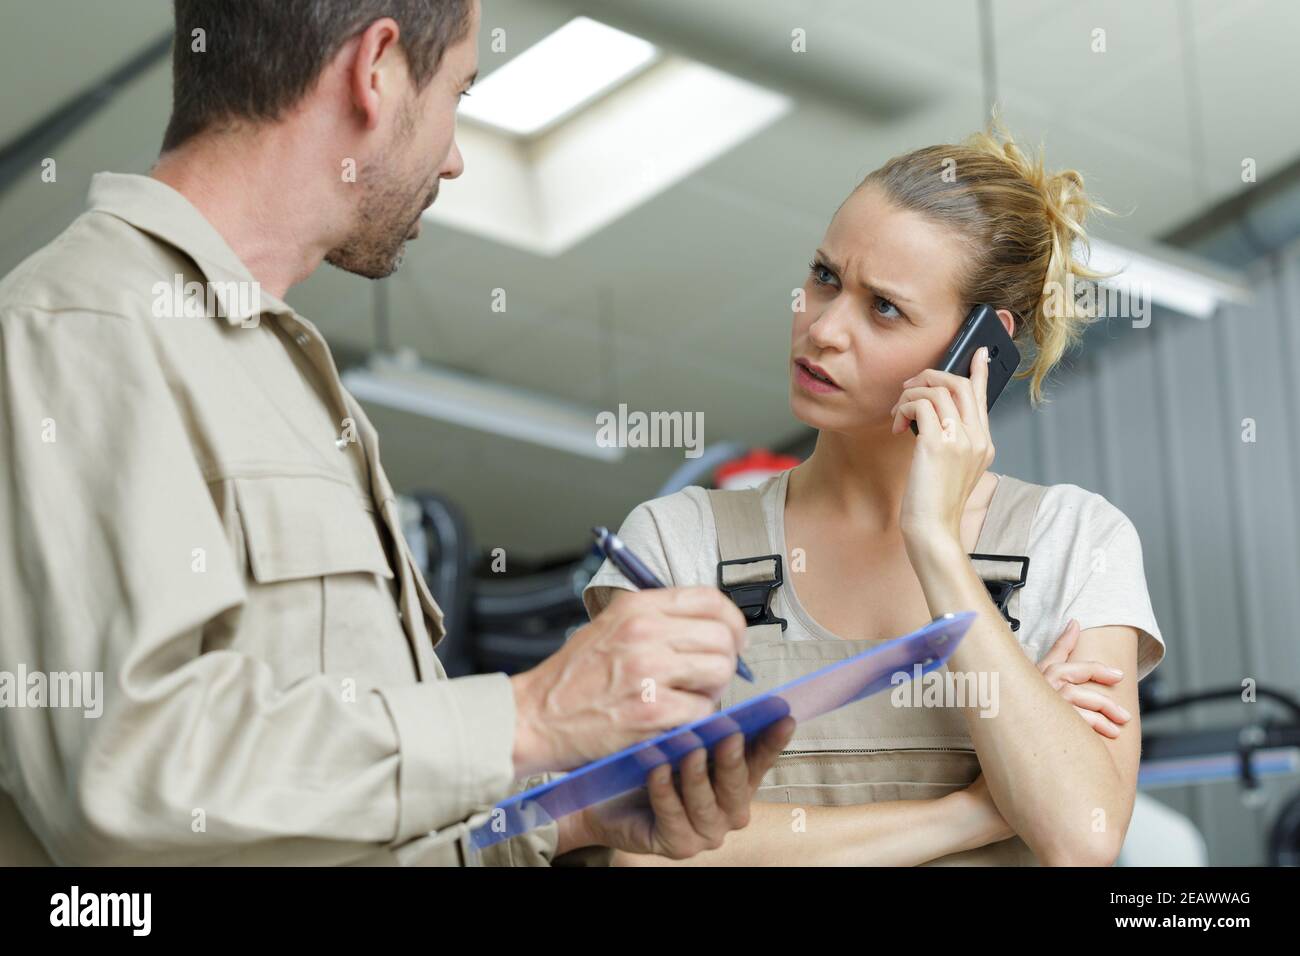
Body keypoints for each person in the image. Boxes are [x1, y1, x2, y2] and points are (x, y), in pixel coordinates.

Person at [0, 0, 794, 867]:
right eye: (458, 91)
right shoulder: (78, 327)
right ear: (375, 68)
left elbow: (316, 822)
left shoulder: (287, 378)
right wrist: (531, 717)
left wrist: (565, 817)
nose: (452, 158)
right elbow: (125, 778)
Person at [585, 123, 1166, 866]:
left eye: (883, 308)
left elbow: (1082, 834)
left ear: (979, 349)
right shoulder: (678, 543)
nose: (824, 329)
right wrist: (974, 812)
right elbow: (645, 851)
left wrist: (935, 542)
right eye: (826, 277)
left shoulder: (1074, 542)